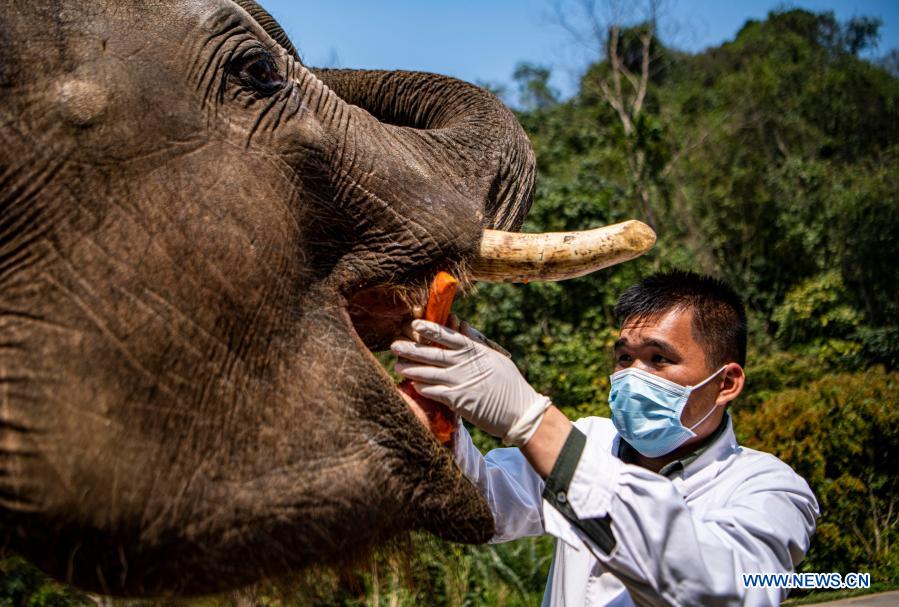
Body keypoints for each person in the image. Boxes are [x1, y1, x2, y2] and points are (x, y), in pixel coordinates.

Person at [392, 270, 819, 606]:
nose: (633, 375)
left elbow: (720, 592)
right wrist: (441, 418)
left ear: (726, 383)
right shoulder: (590, 438)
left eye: (658, 359)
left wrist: (531, 419)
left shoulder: (772, 488)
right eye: (624, 358)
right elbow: (487, 507)